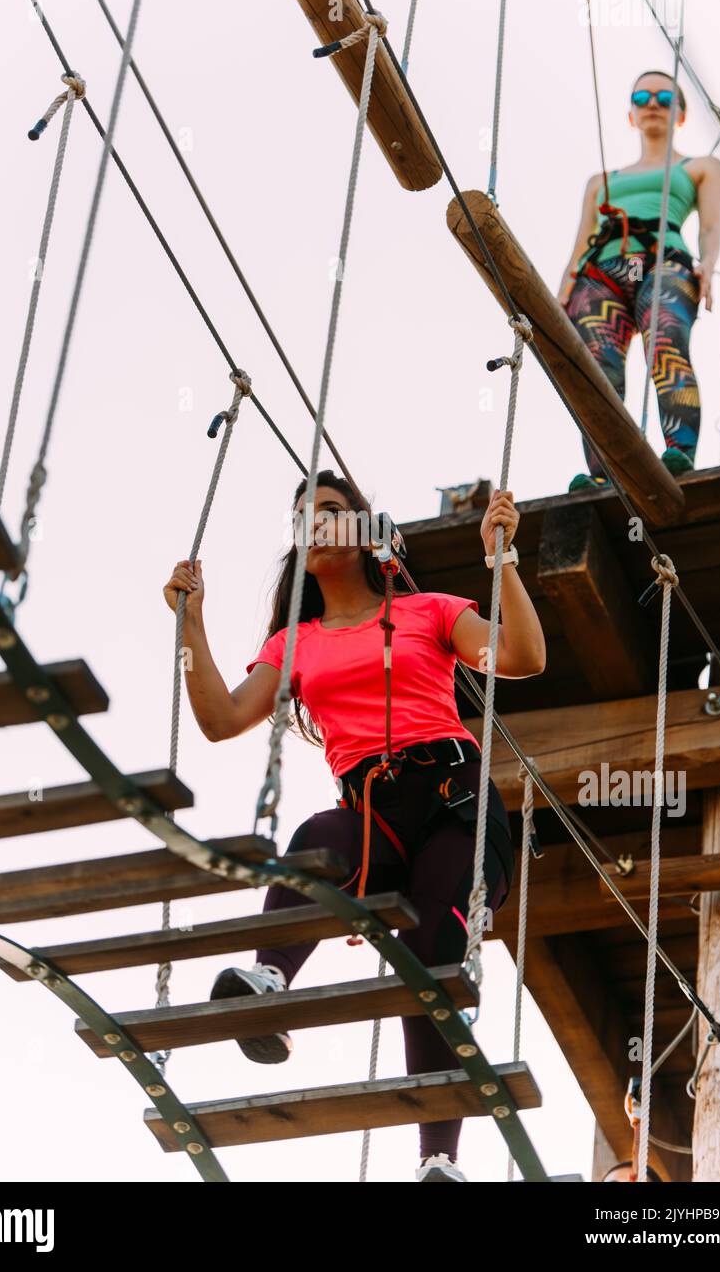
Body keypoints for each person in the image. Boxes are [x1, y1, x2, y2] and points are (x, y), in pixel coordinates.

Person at [163, 469, 546, 1182]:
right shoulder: (294, 644)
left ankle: (438, 1158)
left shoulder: (429, 611)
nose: (313, 521)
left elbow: (523, 657)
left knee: (431, 952)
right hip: (370, 805)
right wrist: (190, 621)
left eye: (332, 510)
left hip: (453, 796)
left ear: (367, 532)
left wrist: (501, 558)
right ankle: (267, 985)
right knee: (316, 841)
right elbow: (219, 720)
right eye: (302, 513)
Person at [557, 70, 720, 491]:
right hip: (600, 274)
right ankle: (604, 475)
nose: (653, 103)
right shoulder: (601, 182)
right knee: (598, 370)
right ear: (631, 114)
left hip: (664, 262)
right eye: (643, 96)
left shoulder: (701, 167)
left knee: (665, 343)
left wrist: (708, 262)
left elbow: (710, 226)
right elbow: (580, 245)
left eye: (665, 97)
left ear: (680, 114)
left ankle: (679, 455)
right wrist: (559, 296)